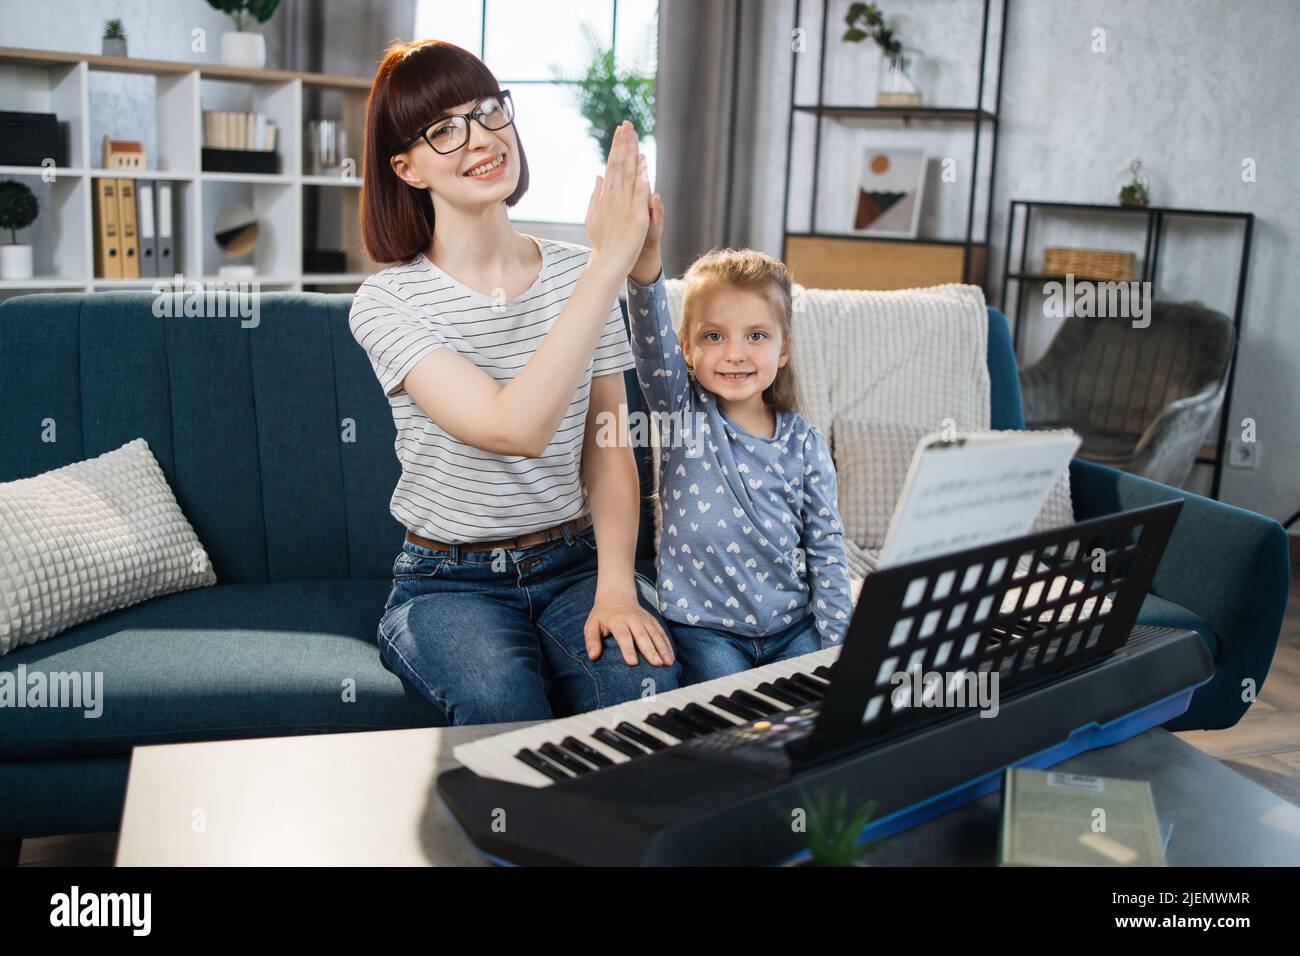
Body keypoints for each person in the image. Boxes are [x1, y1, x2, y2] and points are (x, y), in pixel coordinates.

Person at [349, 40, 679, 724]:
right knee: (503, 712)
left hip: (575, 560)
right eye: (444, 128)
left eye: (488, 110)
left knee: (642, 692)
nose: (482, 138)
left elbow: (609, 447)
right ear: (406, 168)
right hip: (448, 583)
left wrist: (617, 583)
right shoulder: (388, 302)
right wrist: (606, 267)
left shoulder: (572, 274)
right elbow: (513, 428)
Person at [623, 199, 854, 683]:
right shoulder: (682, 414)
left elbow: (827, 551)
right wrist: (647, 257)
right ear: (686, 347)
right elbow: (649, 338)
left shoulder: (804, 443)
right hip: (705, 632)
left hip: (792, 627)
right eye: (713, 336)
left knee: (813, 719)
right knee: (727, 726)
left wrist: (837, 650)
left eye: (755, 335)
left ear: (783, 347)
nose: (735, 354)